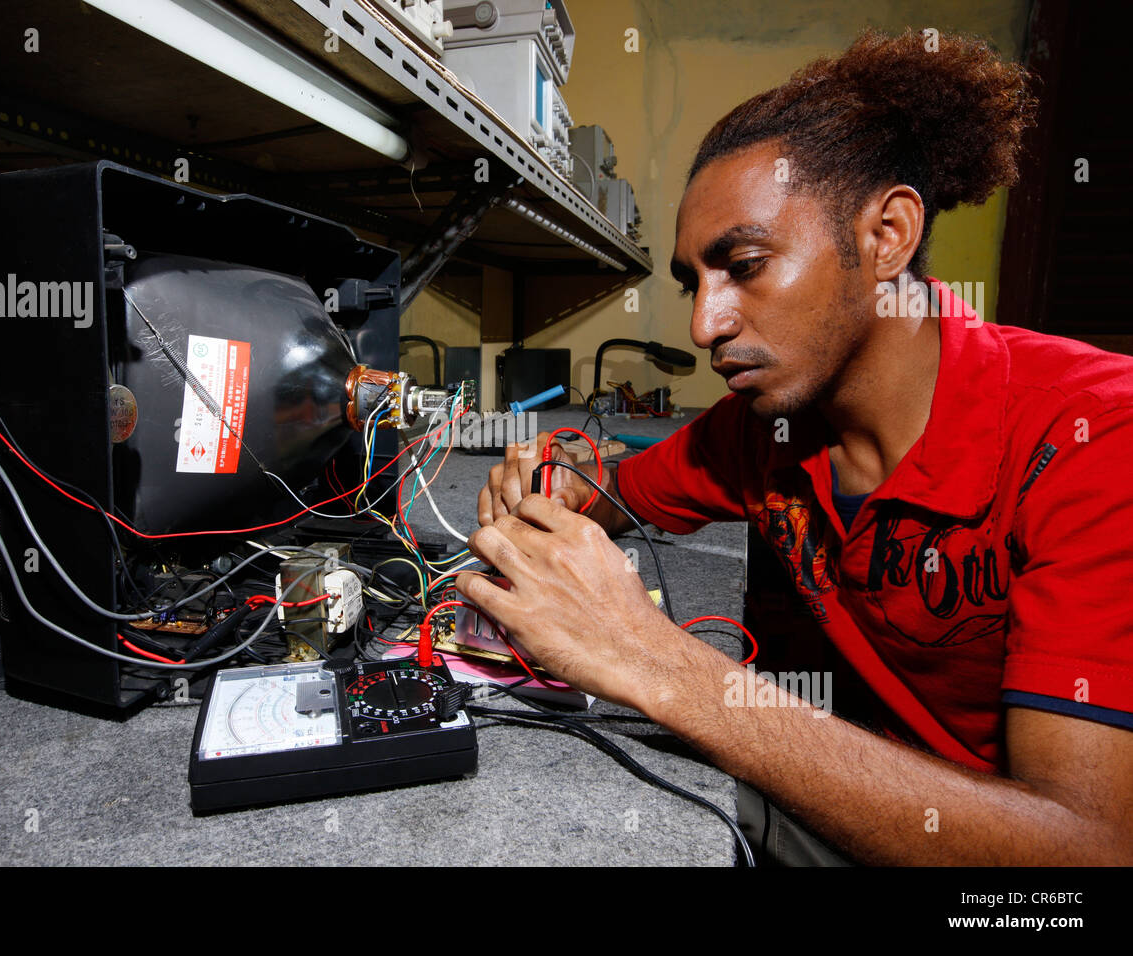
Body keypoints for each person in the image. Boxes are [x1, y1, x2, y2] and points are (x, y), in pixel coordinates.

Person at [456, 28, 1133, 865]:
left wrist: (656, 663)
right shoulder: (762, 431)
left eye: (743, 264)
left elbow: (1087, 851)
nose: (706, 325)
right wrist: (549, 471)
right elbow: (614, 488)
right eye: (693, 283)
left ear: (887, 235)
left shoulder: (1095, 436)